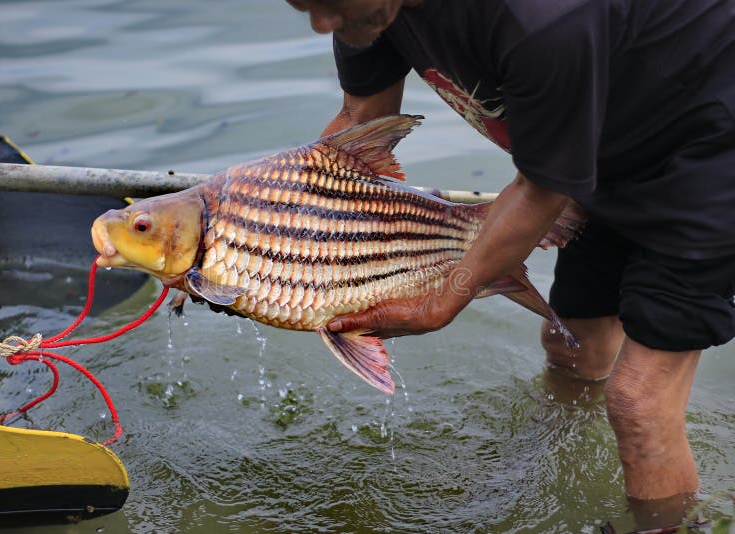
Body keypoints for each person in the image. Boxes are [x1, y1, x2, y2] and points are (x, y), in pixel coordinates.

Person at [285, 0, 735, 512]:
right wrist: (270, 233)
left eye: (330, 5)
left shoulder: (542, 21)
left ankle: (669, 522)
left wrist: (439, 302)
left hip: (710, 153)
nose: (322, 23)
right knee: (572, 346)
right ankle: (553, 470)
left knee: (639, 404)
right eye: (305, 4)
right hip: (602, 142)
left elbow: (541, 190)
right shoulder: (367, 10)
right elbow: (358, 125)